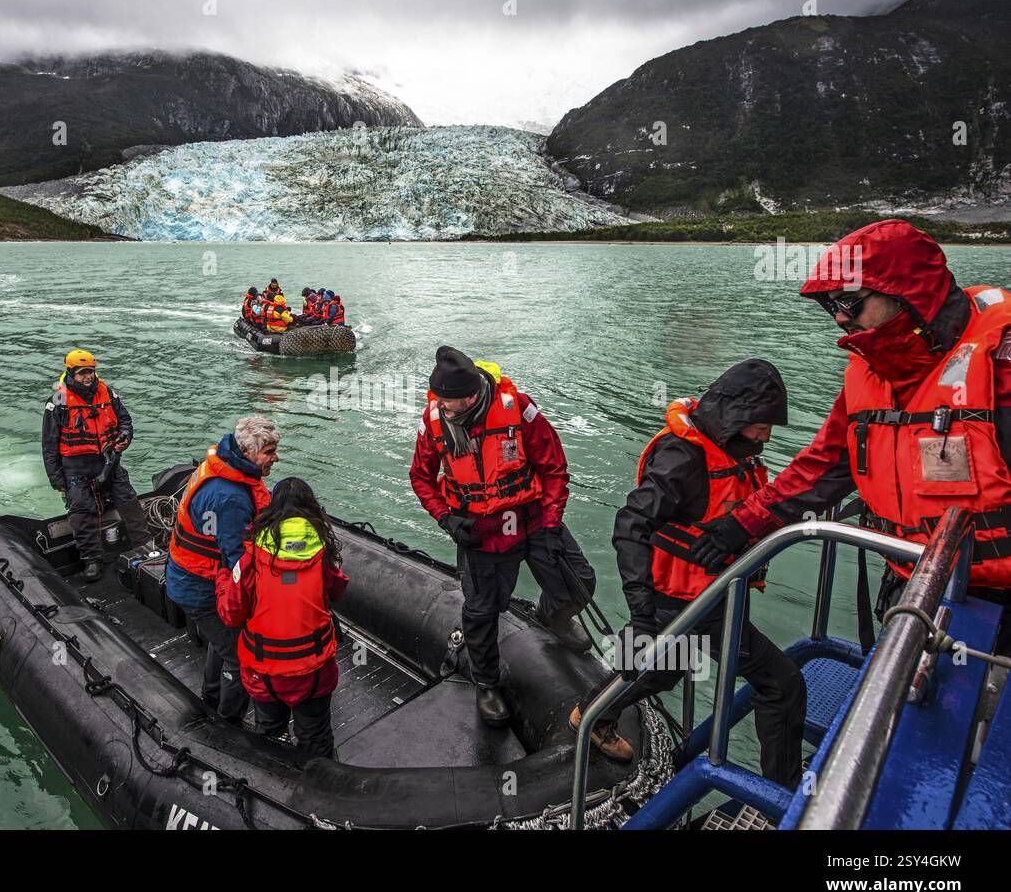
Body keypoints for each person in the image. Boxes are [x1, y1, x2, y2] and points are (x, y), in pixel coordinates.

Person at [689, 220, 1011, 647]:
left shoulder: (1000, 367)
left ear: (907, 293)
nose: (840, 317)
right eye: (831, 305)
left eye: (850, 302)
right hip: (910, 580)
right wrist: (744, 524)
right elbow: (824, 466)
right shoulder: (870, 371)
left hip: (999, 601)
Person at [571, 360, 807, 783]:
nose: (766, 436)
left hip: (702, 593)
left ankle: (591, 714)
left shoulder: (729, 449)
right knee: (782, 684)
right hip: (689, 601)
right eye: (760, 425)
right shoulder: (683, 458)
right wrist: (641, 614)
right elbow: (630, 524)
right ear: (735, 416)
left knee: (660, 670)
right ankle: (782, 798)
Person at [410, 346, 597, 727]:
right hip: (480, 531)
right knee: (480, 613)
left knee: (580, 582)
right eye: (439, 401)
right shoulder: (434, 422)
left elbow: (554, 467)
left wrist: (552, 520)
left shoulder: (519, 410)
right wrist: (446, 518)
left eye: (450, 403)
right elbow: (421, 477)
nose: (443, 409)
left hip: (531, 518)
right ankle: (487, 684)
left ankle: (553, 616)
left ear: (473, 394)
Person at [218, 477, 347, 757]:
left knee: (268, 734)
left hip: (263, 672)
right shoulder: (323, 552)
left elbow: (231, 613)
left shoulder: (249, 557)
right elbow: (337, 590)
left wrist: (222, 578)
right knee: (317, 736)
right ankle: (323, 784)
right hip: (314, 671)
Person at [166, 417, 279, 723]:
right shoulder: (229, 497)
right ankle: (228, 723)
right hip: (200, 586)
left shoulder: (222, 468)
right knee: (242, 658)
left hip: (189, 577)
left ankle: (211, 696)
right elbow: (237, 561)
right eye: (269, 451)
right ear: (248, 452)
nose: (275, 458)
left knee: (224, 640)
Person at [41, 350, 151, 581]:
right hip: (76, 468)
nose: (88, 377)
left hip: (109, 461)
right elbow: (49, 444)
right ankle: (92, 560)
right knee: (81, 514)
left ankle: (145, 546)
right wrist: (57, 479)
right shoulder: (58, 402)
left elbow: (125, 421)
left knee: (129, 502)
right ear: (71, 373)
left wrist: (124, 438)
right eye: (82, 373)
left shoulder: (108, 393)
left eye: (90, 371)